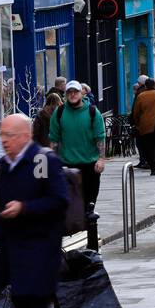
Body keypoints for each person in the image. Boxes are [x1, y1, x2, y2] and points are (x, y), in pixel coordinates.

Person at [0, 113, 68, 308]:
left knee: (32, 296)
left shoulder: (41, 160)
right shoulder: (4, 165)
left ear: (25, 136)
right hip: (13, 244)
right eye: (1, 135)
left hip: (41, 243)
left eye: (9, 135)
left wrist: (24, 208)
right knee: (21, 297)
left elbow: (59, 200)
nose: (4, 141)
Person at [49, 81, 107, 217]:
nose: (72, 95)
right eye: (69, 92)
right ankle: (73, 231)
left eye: (75, 92)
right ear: (65, 95)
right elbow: (54, 139)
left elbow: (100, 137)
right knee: (69, 204)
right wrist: (52, 160)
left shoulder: (93, 112)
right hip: (67, 165)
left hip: (90, 165)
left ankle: (89, 232)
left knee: (89, 206)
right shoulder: (60, 112)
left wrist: (101, 159)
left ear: (82, 93)